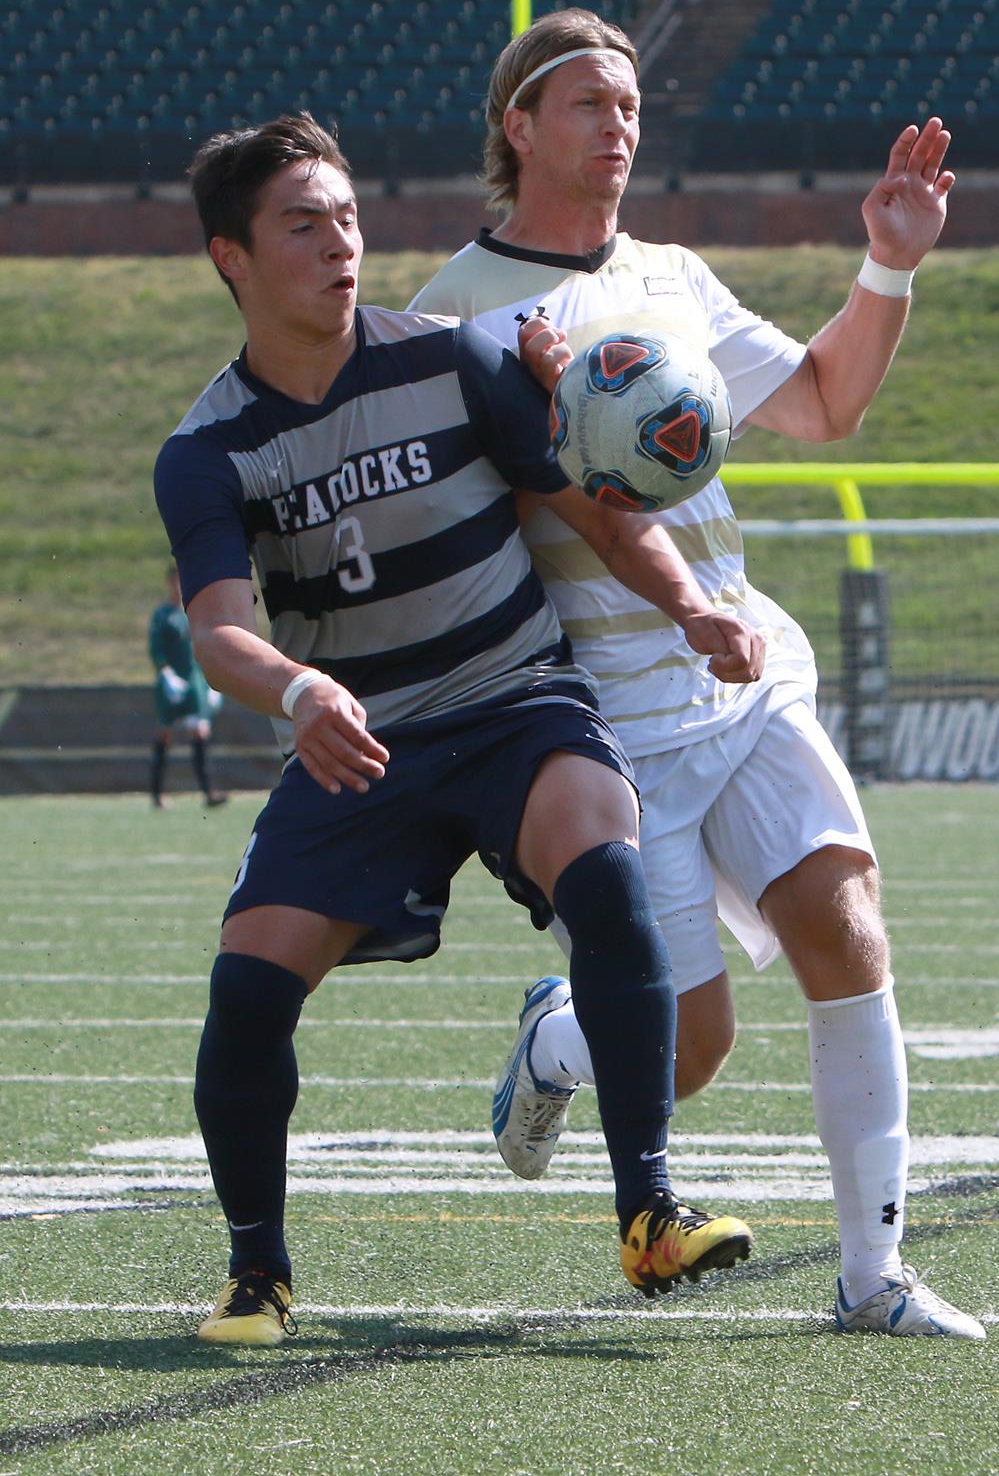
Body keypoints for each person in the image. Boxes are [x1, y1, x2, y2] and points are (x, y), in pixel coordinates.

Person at [409, 9, 986, 1340]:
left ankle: (873, 1277)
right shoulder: (452, 312)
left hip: (738, 669)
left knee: (844, 925)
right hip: (602, 723)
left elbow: (824, 403)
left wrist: (887, 266)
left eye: (628, 104)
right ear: (518, 125)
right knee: (689, 1047)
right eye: (587, 103)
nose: (617, 125)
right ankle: (560, 1037)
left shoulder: (668, 274)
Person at [154, 112, 764, 1346]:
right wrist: (301, 692)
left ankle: (649, 1211)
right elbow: (219, 631)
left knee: (606, 871)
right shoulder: (207, 447)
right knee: (246, 991)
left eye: (346, 217)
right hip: (359, 741)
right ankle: (256, 1270)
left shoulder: (451, 358)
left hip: (514, 704)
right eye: (302, 225)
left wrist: (694, 607)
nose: (340, 243)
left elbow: (595, 513)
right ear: (231, 256)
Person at [148, 563, 229, 810]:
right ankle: (157, 794)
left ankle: (208, 792)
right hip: (171, 681)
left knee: (200, 731)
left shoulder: (195, 612)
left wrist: (211, 682)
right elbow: (156, 647)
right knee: (165, 733)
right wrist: (166, 673)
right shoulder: (163, 614)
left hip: (195, 681)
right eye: (176, 580)